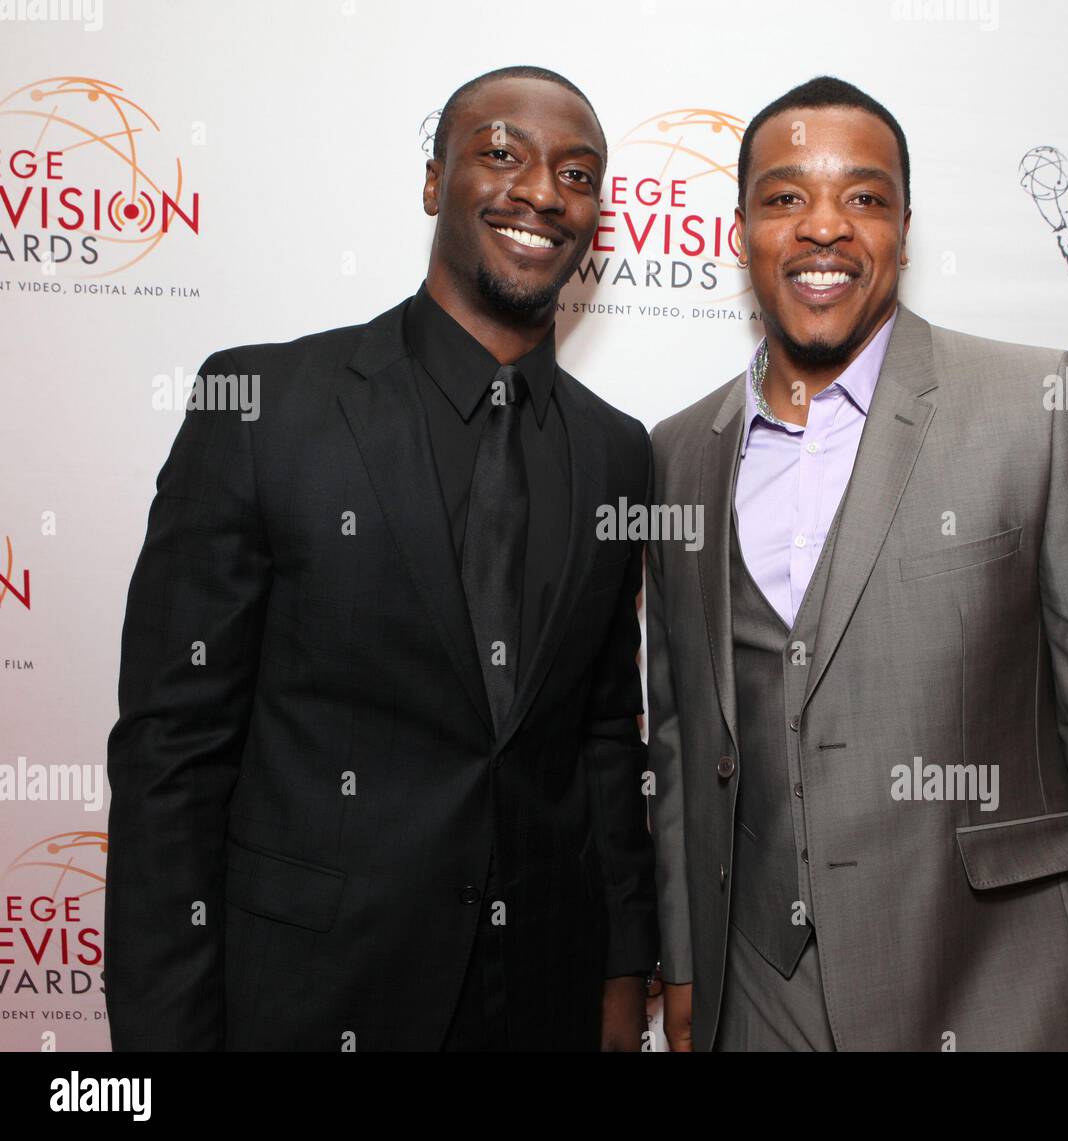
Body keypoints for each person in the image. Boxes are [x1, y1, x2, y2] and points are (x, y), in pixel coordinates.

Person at [647, 75, 1068, 1051]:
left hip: (988, 989)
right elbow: (679, 744)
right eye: (785, 198)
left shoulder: (1038, 408)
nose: (824, 228)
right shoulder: (677, 451)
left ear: (904, 228)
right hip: (754, 996)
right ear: (740, 231)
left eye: (862, 197)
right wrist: (688, 970)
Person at [105, 65, 656, 1052]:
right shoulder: (263, 404)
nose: (540, 190)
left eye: (577, 174)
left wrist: (621, 966)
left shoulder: (617, 451)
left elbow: (605, 732)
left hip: (538, 998)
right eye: (501, 154)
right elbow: (170, 757)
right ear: (433, 177)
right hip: (308, 996)